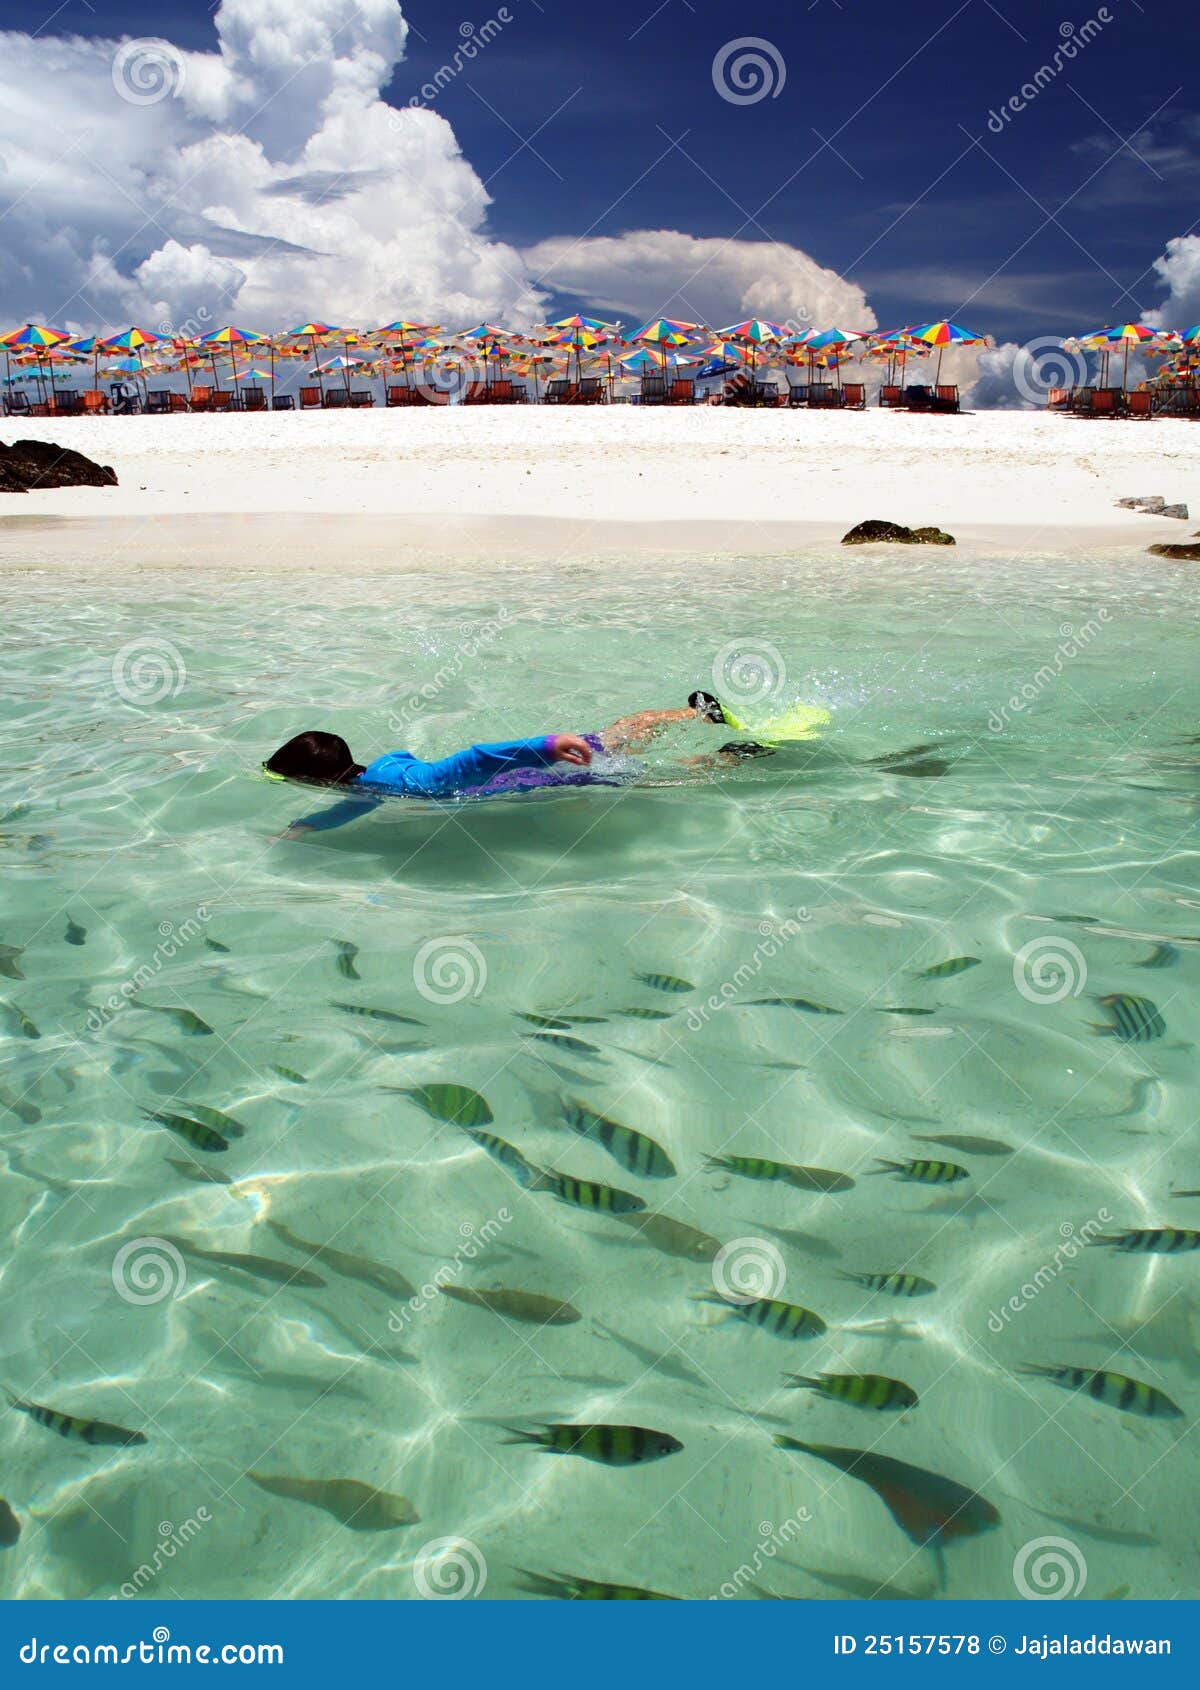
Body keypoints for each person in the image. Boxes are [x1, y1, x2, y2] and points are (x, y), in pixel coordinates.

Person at [267, 695, 741, 834]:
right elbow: (359, 802)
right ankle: (698, 713)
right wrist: (309, 826)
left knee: (638, 778)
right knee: (615, 735)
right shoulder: (375, 776)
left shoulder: (401, 785)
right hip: (534, 767)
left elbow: (469, 762)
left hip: (537, 774)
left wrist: (548, 745)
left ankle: (729, 758)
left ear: (314, 779)